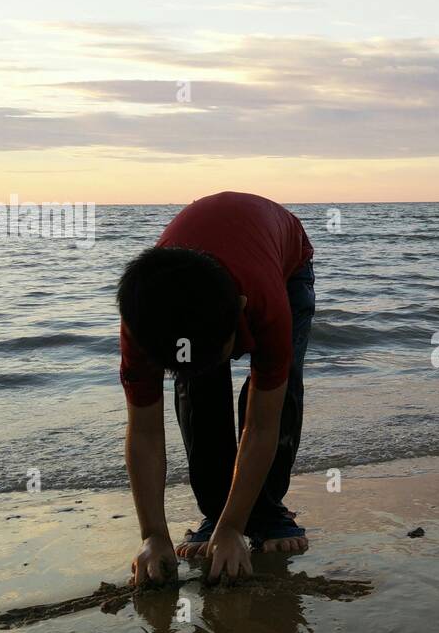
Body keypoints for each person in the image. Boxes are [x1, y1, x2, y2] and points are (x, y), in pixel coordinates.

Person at [115, 191, 314, 586]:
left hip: (284, 266)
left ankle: (267, 512)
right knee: (199, 395)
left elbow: (261, 424)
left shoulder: (267, 304)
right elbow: (145, 431)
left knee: (277, 389)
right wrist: (153, 535)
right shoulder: (142, 322)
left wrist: (234, 529)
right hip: (201, 284)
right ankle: (215, 512)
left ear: (241, 310)